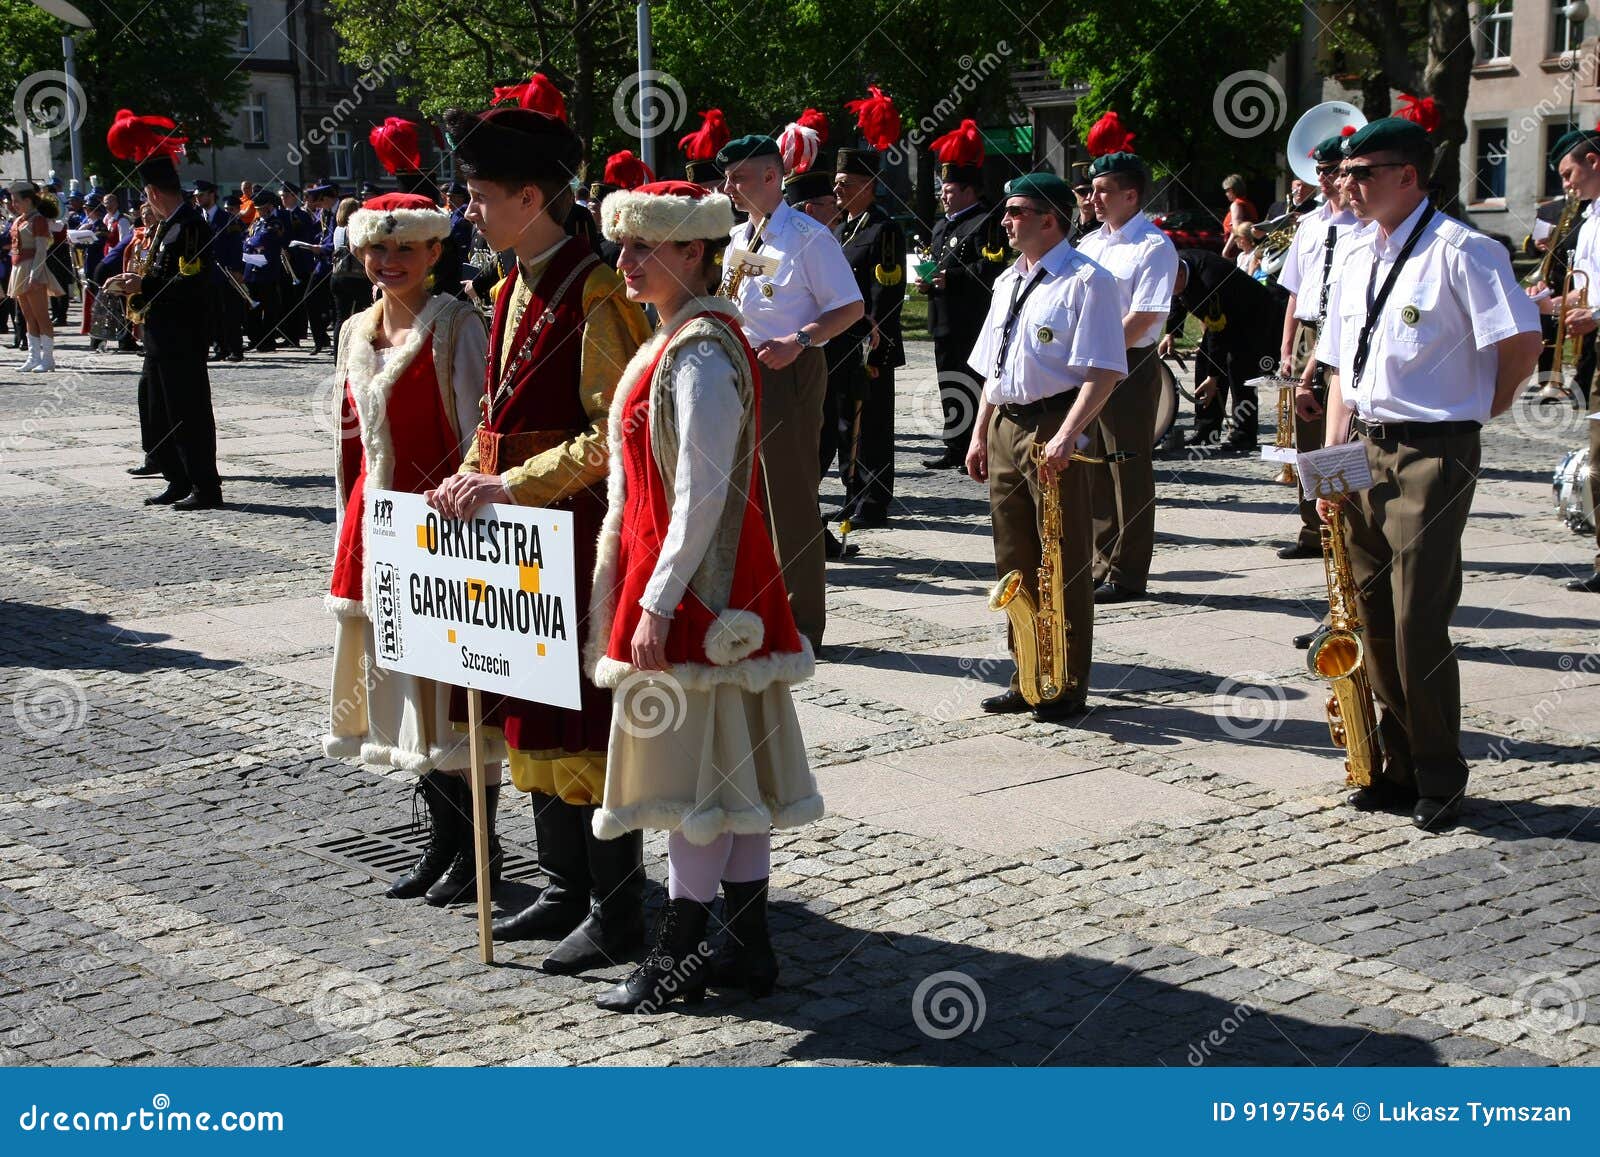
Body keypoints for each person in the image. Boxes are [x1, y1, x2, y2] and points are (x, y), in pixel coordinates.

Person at [586, 179, 821, 1012]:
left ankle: (679, 953)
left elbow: (705, 488)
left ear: (694, 251)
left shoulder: (699, 352)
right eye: (623, 246)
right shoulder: (682, 338)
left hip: (701, 591)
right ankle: (749, 946)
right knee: (731, 775)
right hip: (707, 584)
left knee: (699, 781)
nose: (626, 263)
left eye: (644, 248)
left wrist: (656, 600)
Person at [429, 103, 654, 969]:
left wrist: (510, 481)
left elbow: (614, 435)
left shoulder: (597, 294)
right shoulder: (508, 283)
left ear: (532, 195)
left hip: (576, 535)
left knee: (586, 726)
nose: (469, 211)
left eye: (481, 195)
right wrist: (468, 471)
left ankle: (617, 906)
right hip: (515, 540)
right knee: (528, 708)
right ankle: (564, 886)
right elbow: (502, 413)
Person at [1316, 117, 1541, 831]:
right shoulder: (1357, 254)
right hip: (1364, 450)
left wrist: (1482, 409)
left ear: (1408, 176)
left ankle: (1441, 774)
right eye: (1345, 172)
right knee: (1371, 618)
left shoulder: (1463, 250)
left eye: (1362, 172)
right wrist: (1326, 471)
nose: (1346, 184)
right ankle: (1396, 763)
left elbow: (1523, 340)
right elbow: (1340, 373)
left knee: (1417, 621)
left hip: (1431, 453)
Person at [323, 193, 498, 898]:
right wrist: (346, 525)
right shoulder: (354, 329)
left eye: (405, 250)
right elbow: (346, 441)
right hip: (375, 526)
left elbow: (475, 439)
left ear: (433, 253)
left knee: (452, 694)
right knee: (404, 692)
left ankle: (477, 849)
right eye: (376, 250)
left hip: (439, 529)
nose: (388, 262)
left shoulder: (457, 325)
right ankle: (441, 836)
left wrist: (470, 532)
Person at [966, 173, 1128, 722]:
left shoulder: (1088, 281)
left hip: (1053, 424)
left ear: (1050, 219)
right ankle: (1027, 671)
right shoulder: (1008, 281)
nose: (1006, 221)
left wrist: (1065, 435)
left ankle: (1066, 680)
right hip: (1008, 424)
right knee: (1014, 558)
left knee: (1062, 556)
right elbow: (993, 367)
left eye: (1016, 211)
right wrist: (980, 430)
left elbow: (1103, 371)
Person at [718, 134, 864, 651]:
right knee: (748, 496)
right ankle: (761, 607)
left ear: (771, 178)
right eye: (728, 177)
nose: (728, 186)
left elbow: (850, 308)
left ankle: (803, 624)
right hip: (741, 372)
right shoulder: (740, 238)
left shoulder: (806, 236)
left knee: (790, 497)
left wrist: (800, 340)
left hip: (788, 372)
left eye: (739, 177)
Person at [1076, 151, 1178, 604]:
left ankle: (1128, 571)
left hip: (1130, 365)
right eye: (1093, 190)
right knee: (1094, 466)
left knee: (1127, 469)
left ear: (1131, 195)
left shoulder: (1153, 246)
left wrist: (1101, 354)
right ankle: (1099, 562)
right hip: (1093, 365)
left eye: (1103, 190)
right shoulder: (1091, 243)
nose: (1094, 198)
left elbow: (1146, 315)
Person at [102, 155, 223, 510]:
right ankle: (177, 478)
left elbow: (192, 282)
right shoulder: (167, 224)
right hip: (159, 333)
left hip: (183, 333)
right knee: (158, 412)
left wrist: (144, 284)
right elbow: (161, 275)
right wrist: (135, 283)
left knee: (189, 412)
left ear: (153, 191)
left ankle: (205, 486)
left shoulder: (190, 226)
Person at [1274, 134, 1362, 572]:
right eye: (1320, 172)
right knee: (1307, 441)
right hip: (1310, 329)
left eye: (1333, 171)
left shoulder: (1364, 227)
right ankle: (1313, 529)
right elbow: (1294, 291)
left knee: (1339, 434)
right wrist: (1287, 347)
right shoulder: (1309, 224)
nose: (1325, 180)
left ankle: (1341, 528)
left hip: (1343, 331)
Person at [920, 121, 1006, 470]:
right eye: (943, 190)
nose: (943, 195)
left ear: (970, 191)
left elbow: (992, 272)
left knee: (971, 382)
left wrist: (949, 278)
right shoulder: (943, 225)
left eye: (951, 190)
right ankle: (954, 445)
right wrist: (928, 281)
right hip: (942, 316)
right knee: (948, 381)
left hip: (970, 316)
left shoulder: (986, 222)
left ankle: (976, 444)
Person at [831, 144, 906, 528]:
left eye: (845, 183)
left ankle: (874, 500)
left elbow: (887, 291)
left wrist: (875, 341)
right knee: (847, 423)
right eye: (837, 182)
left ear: (868, 185)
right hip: (844, 343)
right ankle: (852, 491)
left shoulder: (884, 228)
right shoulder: (843, 229)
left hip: (871, 346)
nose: (837, 189)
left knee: (873, 424)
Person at [1540, 128, 1600, 593]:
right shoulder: (1590, 217)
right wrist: (1557, 300)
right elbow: (1589, 283)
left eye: (1569, 173)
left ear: (1594, 161)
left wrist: (1594, 313)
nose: (1567, 185)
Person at [1160, 247, 1281, 453]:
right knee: (1203, 362)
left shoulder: (1210, 282)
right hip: (1221, 317)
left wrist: (1213, 377)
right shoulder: (1176, 264)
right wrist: (1171, 332)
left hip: (1253, 318)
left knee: (1239, 371)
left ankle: (1244, 436)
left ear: (1180, 274)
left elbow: (1218, 334)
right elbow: (1177, 296)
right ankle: (1206, 430)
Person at [8, 181, 62, 372]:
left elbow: (41, 250)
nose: (13, 204)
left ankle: (48, 359)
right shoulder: (19, 219)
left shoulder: (37, 220)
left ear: (28, 200)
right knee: (28, 317)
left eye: (16, 201)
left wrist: (34, 274)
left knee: (41, 316)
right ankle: (33, 357)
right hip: (18, 268)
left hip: (32, 268)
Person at [243, 188, 286, 351]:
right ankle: (255, 338)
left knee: (269, 308)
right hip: (251, 270)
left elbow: (262, 240)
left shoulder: (275, 222)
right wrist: (251, 242)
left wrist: (251, 242)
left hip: (267, 271)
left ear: (269, 207)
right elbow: (246, 241)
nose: (259, 211)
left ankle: (267, 341)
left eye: (262, 208)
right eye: (258, 208)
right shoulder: (256, 223)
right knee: (252, 309)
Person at [1219, 173, 1258, 259]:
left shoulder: (1236, 205)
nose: (1226, 194)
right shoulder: (1248, 204)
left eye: (1227, 190)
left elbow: (1236, 230)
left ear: (1232, 190)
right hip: (1249, 245)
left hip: (1238, 248)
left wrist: (1225, 250)